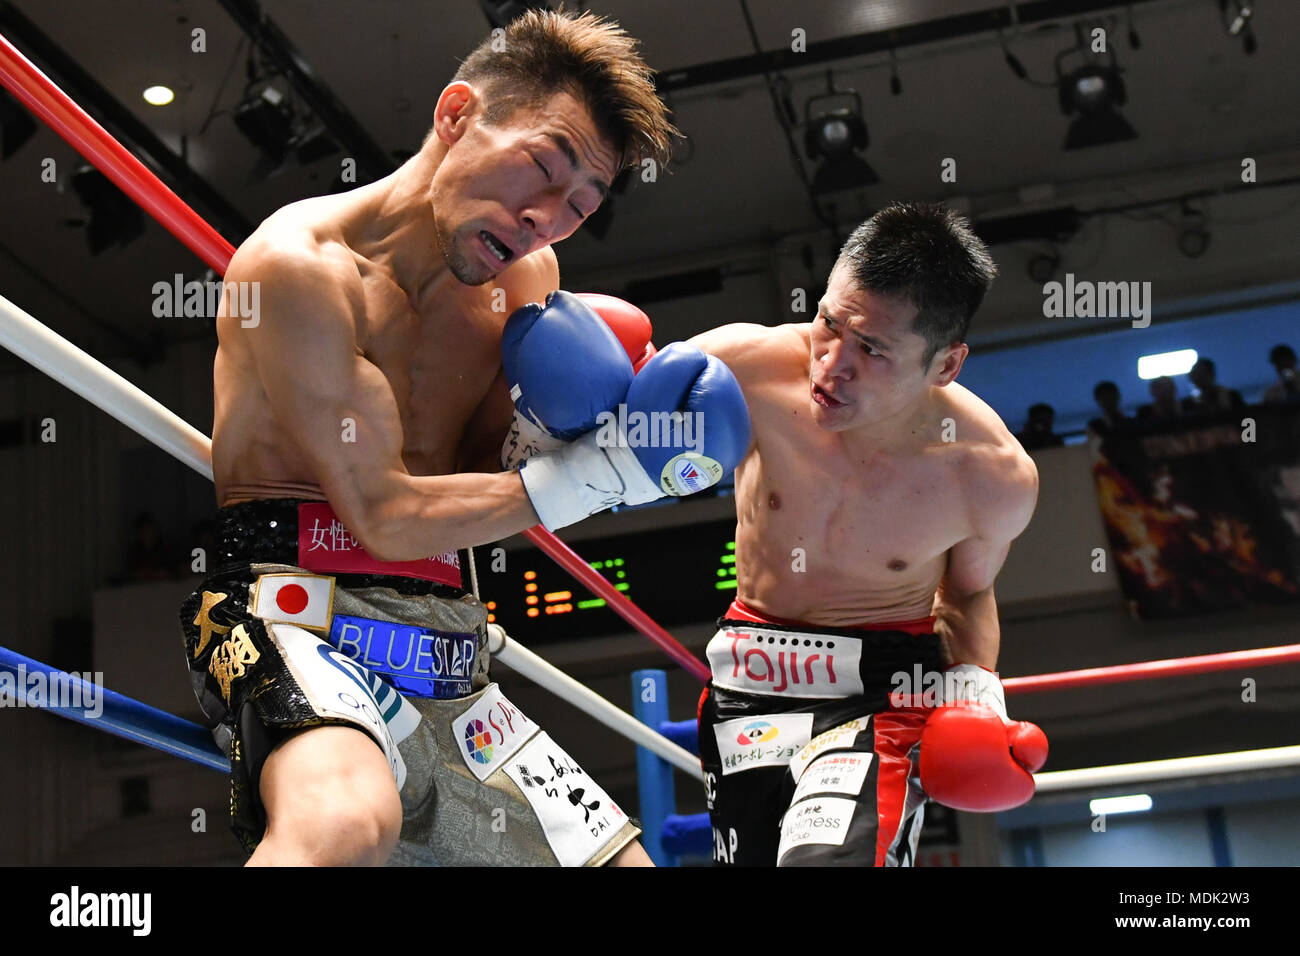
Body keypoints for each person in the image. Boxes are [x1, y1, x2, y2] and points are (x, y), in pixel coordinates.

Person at [179, 10, 749, 867]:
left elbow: (492, 473)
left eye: (579, 206)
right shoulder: (298, 269)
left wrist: (561, 434)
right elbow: (381, 511)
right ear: (456, 116)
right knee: (342, 827)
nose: (545, 219)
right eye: (542, 168)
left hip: (451, 638)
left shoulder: (526, 278)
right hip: (293, 605)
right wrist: (602, 477)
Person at [690, 202, 1044, 867]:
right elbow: (606, 428)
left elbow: (967, 592)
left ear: (945, 365)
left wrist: (976, 686)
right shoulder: (743, 367)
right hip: (750, 673)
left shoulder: (987, 473)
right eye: (829, 323)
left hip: (882, 688)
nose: (832, 363)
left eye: (872, 349)